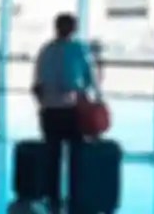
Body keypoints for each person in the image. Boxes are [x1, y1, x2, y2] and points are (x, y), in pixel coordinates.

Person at [31, 13, 99, 212]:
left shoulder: (46, 50)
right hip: (71, 110)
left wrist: (42, 105)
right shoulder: (78, 50)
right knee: (76, 155)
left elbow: (38, 84)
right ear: (73, 29)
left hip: (50, 110)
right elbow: (87, 79)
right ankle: (76, 194)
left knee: (52, 155)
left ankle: (52, 196)